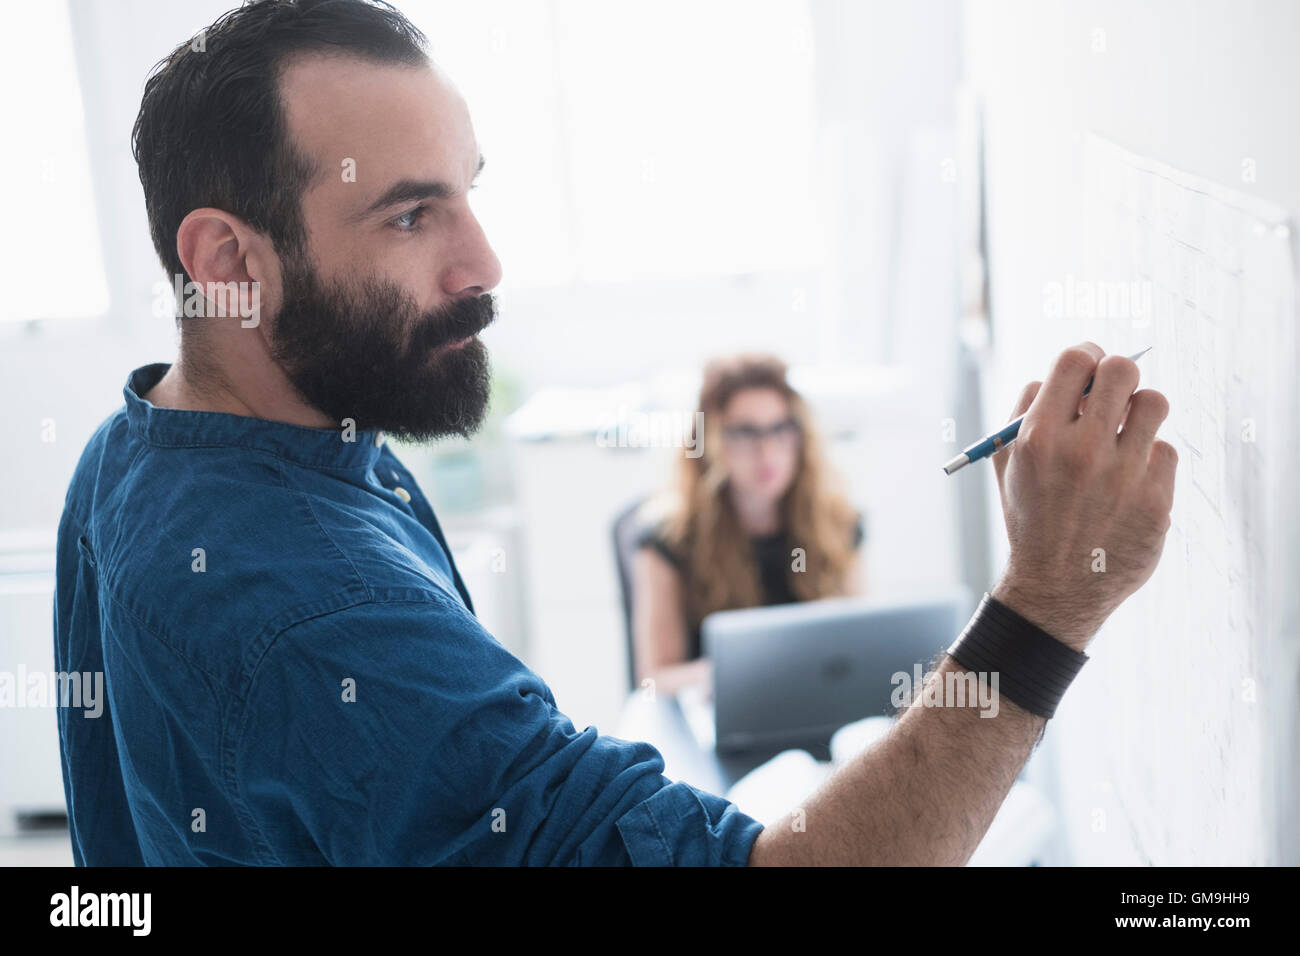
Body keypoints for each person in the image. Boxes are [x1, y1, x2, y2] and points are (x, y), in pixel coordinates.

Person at [54, 0, 1177, 866]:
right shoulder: (327, 614)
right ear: (226, 262)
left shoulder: (137, 444)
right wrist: (1044, 602)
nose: (483, 265)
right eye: (408, 213)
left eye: (467, 192)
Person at [632, 353, 864, 699]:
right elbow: (655, 679)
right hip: (723, 717)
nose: (767, 450)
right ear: (710, 440)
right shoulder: (671, 539)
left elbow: (863, 642)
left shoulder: (837, 522)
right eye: (745, 432)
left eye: (780, 429)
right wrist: (738, 673)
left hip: (815, 706)